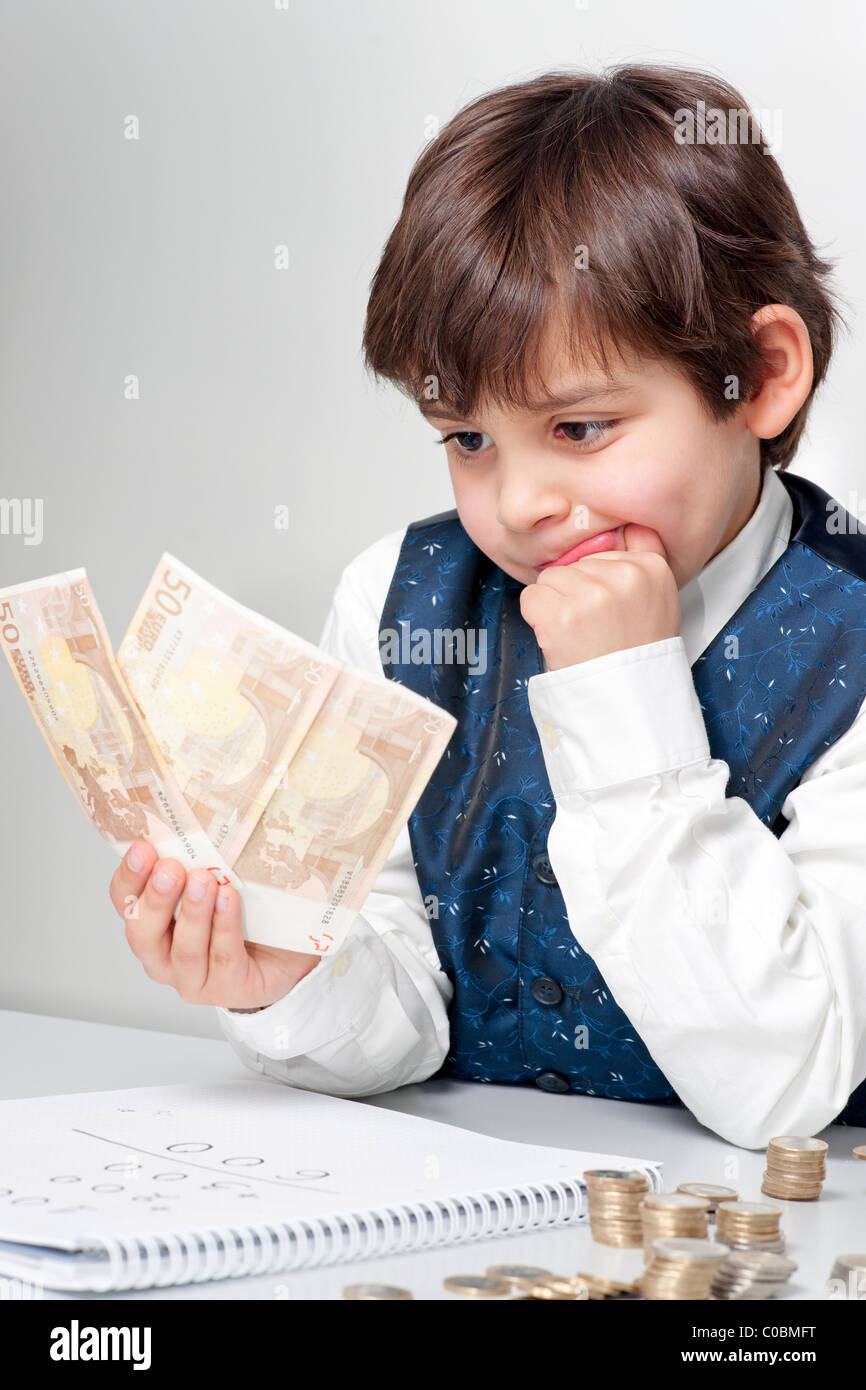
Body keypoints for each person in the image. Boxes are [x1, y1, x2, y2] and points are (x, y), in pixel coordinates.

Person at [108, 64, 866, 1150]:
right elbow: (401, 1002)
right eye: (467, 439)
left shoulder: (848, 641)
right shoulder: (399, 602)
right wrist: (296, 977)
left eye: (579, 429)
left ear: (761, 372)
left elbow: (784, 1084)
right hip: (473, 1206)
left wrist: (621, 694)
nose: (517, 505)